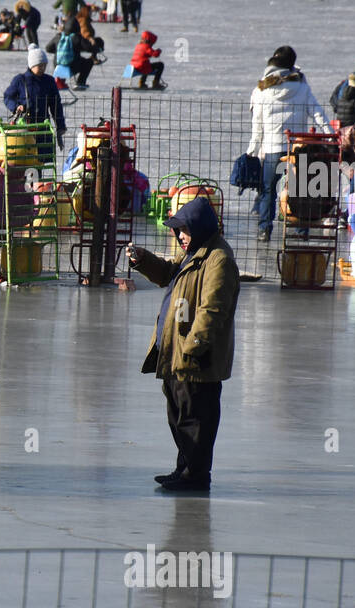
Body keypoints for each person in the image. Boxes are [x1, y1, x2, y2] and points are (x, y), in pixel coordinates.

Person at [125, 195, 240, 493]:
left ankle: (196, 476)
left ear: (200, 228)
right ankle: (185, 469)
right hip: (177, 355)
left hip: (195, 360)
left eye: (184, 231)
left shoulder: (219, 260)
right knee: (179, 417)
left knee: (195, 420)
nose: (180, 237)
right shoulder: (196, 252)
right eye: (177, 232)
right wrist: (143, 259)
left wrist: (193, 348)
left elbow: (212, 310)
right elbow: (167, 273)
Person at [246, 45, 331, 240]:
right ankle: (301, 229)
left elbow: (257, 124)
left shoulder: (261, 91)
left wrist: (253, 149)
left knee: (268, 189)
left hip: (272, 147)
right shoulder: (302, 87)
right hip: (298, 146)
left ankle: (264, 229)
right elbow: (317, 112)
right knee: (301, 189)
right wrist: (330, 134)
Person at [3, 46, 66, 149]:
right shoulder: (20, 80)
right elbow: (8, 97)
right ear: (32, 65)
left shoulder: (49, 81)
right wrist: (15, 107)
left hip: (43, 126)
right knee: (24, 156)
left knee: (43, 158)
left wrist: (60, 127)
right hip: (24, 126)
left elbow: (56, 106)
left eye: (44, 65)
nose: (43, 68)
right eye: (39, 65)